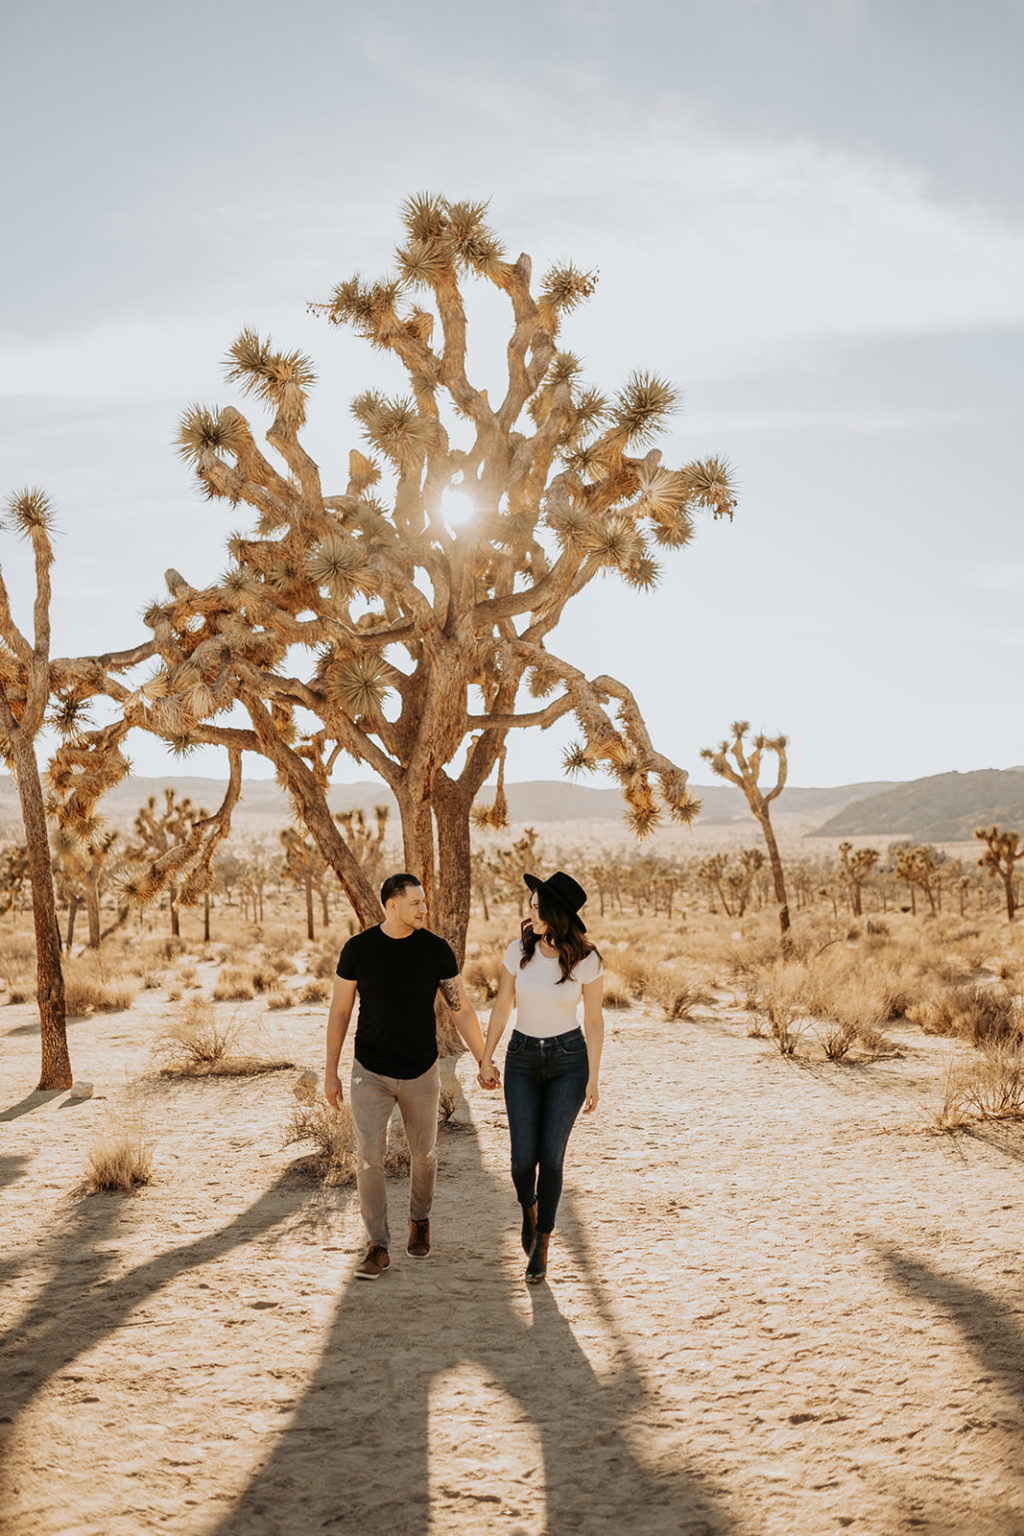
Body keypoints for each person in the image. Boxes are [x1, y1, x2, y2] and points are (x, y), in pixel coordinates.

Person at [325, 872, 499, 1281]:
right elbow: (339, 1012)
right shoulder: (358, 949)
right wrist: (331, 1071)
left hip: (422, 1070)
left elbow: (461, 1010)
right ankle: (378, 1245)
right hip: (370, 1071)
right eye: (417, 902)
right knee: (369, 1156)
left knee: (424, 1155)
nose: (425, 908)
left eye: (425, 901)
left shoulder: (435, 950)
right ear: (392, 905)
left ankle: (419, 1221)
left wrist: (482, 1060)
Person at [479, 870, 604, 1284]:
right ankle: (529, 1211)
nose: (529, 912)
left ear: (554, 911)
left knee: (550, 1157)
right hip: (522, 1059)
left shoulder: (587, 959)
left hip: (569, 1061)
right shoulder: (519, 951)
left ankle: (543, 1246)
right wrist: (486, 1057)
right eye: (530, 906)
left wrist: (594, 1078)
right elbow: (501, 1008)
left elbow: (595, 1021)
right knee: (520, 1163)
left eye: (536, 906)